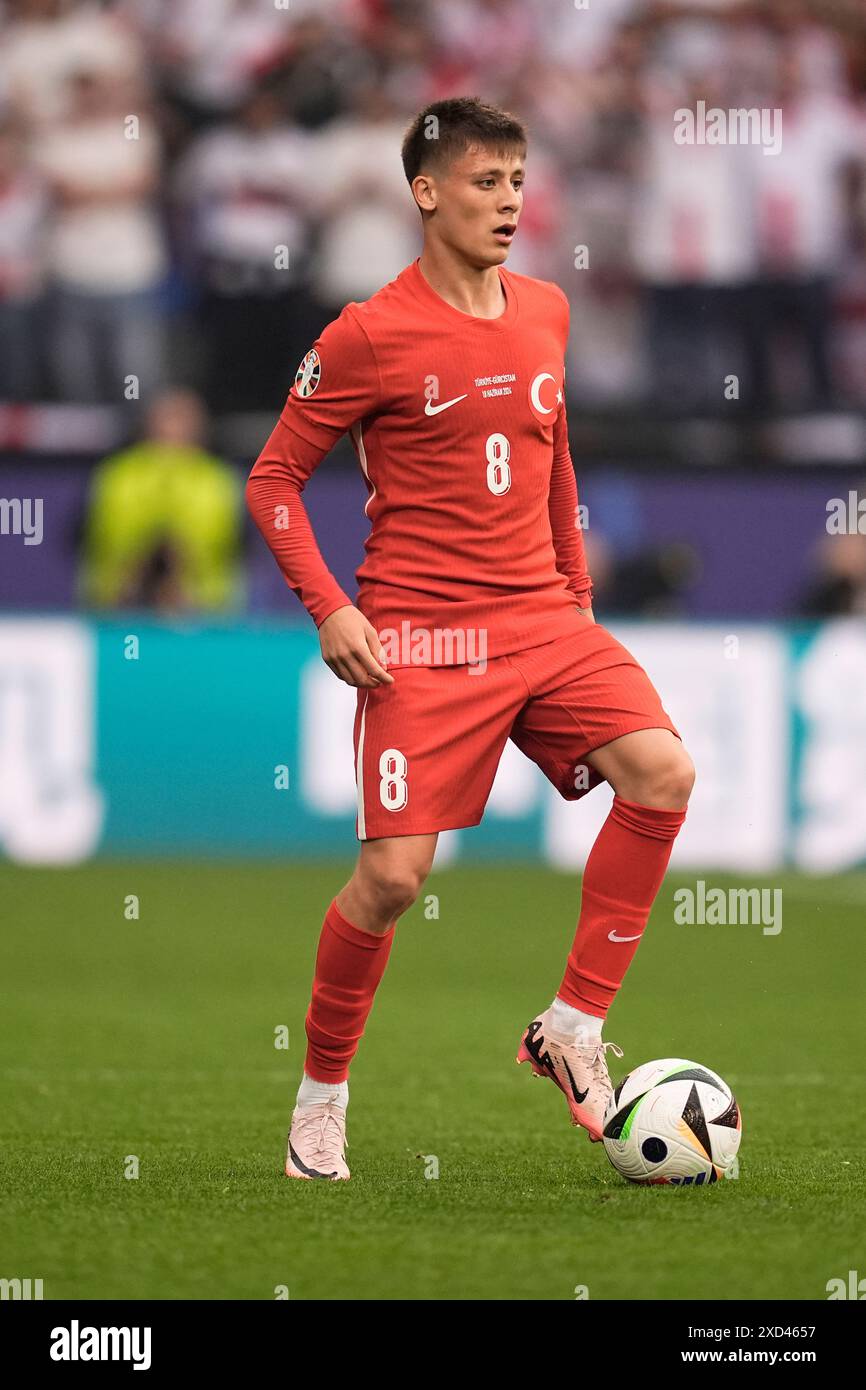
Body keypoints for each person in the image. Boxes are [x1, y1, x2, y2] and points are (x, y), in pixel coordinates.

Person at [246, 97, 695, 1182]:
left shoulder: (544, 309)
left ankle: (571, 1025)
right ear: (425, 192)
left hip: (542, 618)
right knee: (392, 882)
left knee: (663, 773)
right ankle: (320, 1100)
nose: (506, 201)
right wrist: (331, 609)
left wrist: (576, 601)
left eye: (515, 181)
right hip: (419, 636)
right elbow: (270, 482)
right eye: (484, 182)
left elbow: (553, 460)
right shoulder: (364, 333)